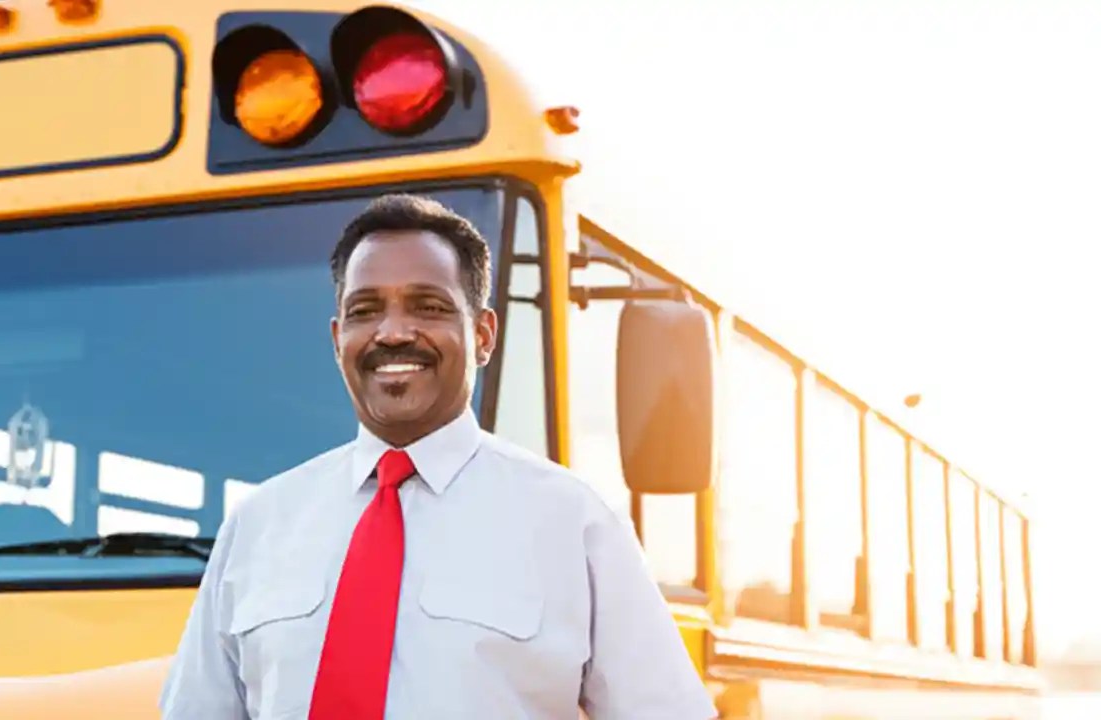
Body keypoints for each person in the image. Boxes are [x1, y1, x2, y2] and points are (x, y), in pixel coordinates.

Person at [159, 194, 718, 720]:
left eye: (427, 306)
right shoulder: (257, 526)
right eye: (365, 310)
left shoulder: (573, 522)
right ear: (337, 340)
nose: (393, 332)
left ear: (482, 334)